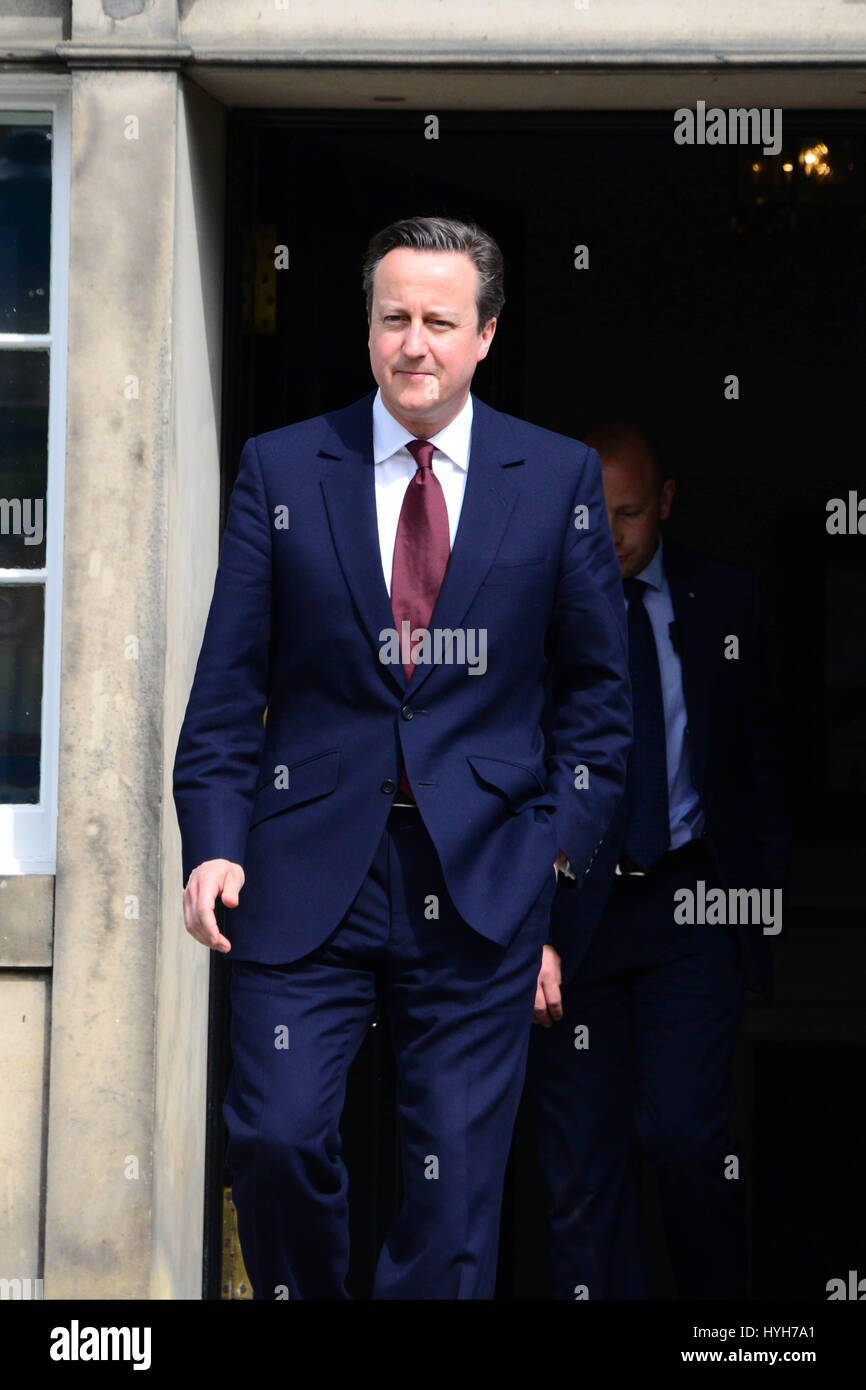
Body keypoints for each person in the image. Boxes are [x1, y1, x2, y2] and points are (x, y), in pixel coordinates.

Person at [172, 216, 632, 1300]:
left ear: (482, 336)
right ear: (368, 330)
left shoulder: (555, 475)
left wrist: (552, 858)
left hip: (481, 880)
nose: (412, 343)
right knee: (276, 1140)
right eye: (392, 319)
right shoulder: (283, 465)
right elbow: (231, 683)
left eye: (437, 320)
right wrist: (213, 843)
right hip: (300, 872)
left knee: (457, 1193)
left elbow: (596, 701)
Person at [527, 420, 790, 1299]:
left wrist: (760, 909)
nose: (610, 536)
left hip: (690, 907)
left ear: (666, 503)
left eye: (630, 513)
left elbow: (760, 765)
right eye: (593, 517)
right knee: (580, 1170)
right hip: (576, 917)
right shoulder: (537, 609)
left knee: (685, 1139)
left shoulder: (726, 604)